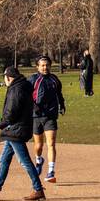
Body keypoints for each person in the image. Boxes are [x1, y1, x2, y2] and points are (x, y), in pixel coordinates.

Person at [0, 66, 45, 201]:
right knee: (5, 160)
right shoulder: (22, 86)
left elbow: (11, 113)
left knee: (25, 161)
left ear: (8, 78)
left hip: (16, 130)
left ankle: (38, 189)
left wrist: (1, 124)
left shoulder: (16, 89)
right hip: (16, 130)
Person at [31, 55, 66, 185]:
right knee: (38, 146)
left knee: (51, 144)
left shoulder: (54, 80)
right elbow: (27, 95)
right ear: (38, 67)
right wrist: (33, 107)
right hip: (36, 116)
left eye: (47, 65)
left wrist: (62, 105)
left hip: (50, 116)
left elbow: (59, 94)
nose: (45, 67)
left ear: (50, 66)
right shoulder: (33, 79)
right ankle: (39, 160)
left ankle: (51, 172)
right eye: (42, 65)